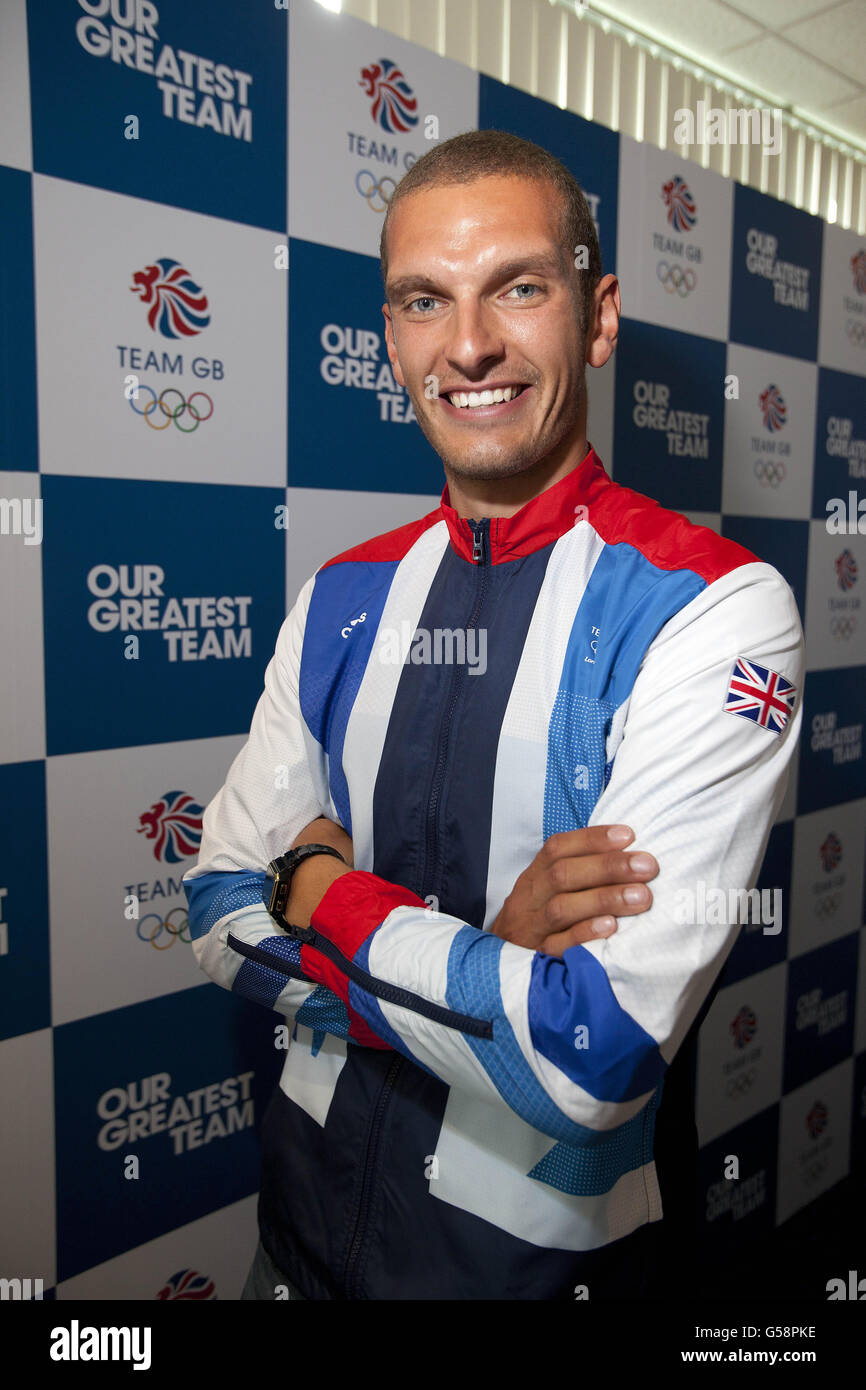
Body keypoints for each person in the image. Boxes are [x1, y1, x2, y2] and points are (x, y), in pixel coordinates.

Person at [183, 129, 804, 1300]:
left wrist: (320, 894)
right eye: (424, 300)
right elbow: (216, 909)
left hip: (527, 1277)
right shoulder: (341, 598)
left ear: (599, 314)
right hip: (297, 1244)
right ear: (389, 335)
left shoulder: (708, 610)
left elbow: (586, 1057)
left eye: (517, 287)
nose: (467, 344)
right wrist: (481, 963)